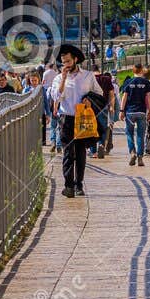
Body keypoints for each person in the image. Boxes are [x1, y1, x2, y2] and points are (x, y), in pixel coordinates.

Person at [51, 45, 100, 199]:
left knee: (80, 152)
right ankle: (68, 185)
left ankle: (79, 184)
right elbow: (56, 97)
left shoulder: (88, 76)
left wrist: (89, 99)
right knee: (67, 152)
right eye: (63, 62)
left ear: (75, 60)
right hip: (66, 118)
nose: (66, 65)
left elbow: (99, 92)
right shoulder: (58, 78)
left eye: (68, 61)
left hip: (82, 117)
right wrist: (63, 79)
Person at [119, 64, 150, 167]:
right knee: (140, 135)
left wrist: (121, 110)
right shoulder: (146, 82)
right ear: (142, 71)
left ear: (133, 71)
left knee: (129, 133)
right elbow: (148, 99)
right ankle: (140, 157)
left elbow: (124, 97)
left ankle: (132, 152)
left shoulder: (128, 82)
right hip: (141, 112)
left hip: (130, 112)